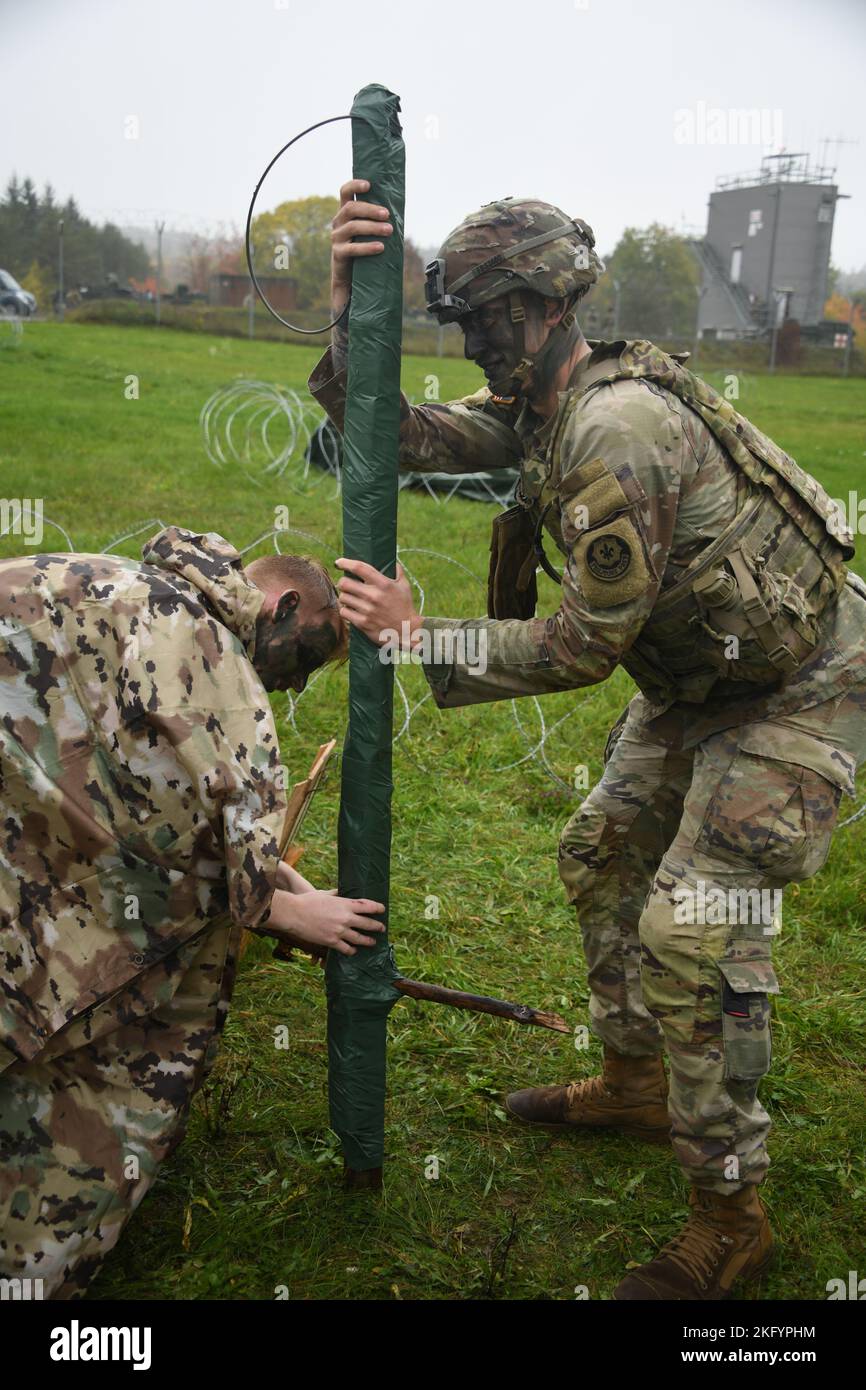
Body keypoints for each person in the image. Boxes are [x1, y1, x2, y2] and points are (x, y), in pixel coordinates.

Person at [311, 181, 866, 1300]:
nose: (470, 340)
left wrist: (422, 638)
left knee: (691, 929)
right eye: (458, 322)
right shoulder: (542, 402)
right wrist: (344, 307)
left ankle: (729, 1213)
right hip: (700, 679)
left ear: (541, 306)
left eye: (484, 318)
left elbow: (578, 646)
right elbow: (394, 435)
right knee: (600, 851)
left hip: (799, 687)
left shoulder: (613, 427)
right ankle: (633, 1082)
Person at [0, 525, 385, 1297]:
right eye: (311, 654)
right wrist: (284, 912)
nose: (296, 684)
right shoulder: (222, 674)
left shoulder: (116, 579)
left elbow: (121, 771)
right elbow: (207, 858)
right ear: (279, 606)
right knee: (165, 977)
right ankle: (37, 1245)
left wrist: (275, 878)